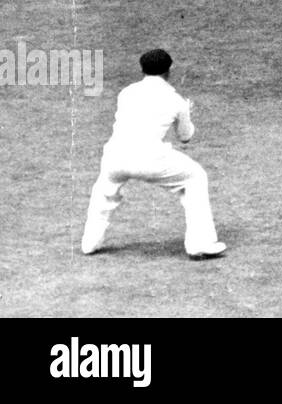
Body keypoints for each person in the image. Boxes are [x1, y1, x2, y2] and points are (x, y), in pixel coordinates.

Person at [81, 49, 226, 260]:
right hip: (151, 159)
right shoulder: (176, 100)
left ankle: (89, 243)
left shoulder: (126, 92)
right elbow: (185, 137)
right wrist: (186, 112)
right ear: (169, 71)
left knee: (103, 192)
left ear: (142, 70)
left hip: (115, 156)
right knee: (196, 177)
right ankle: (200, 243)